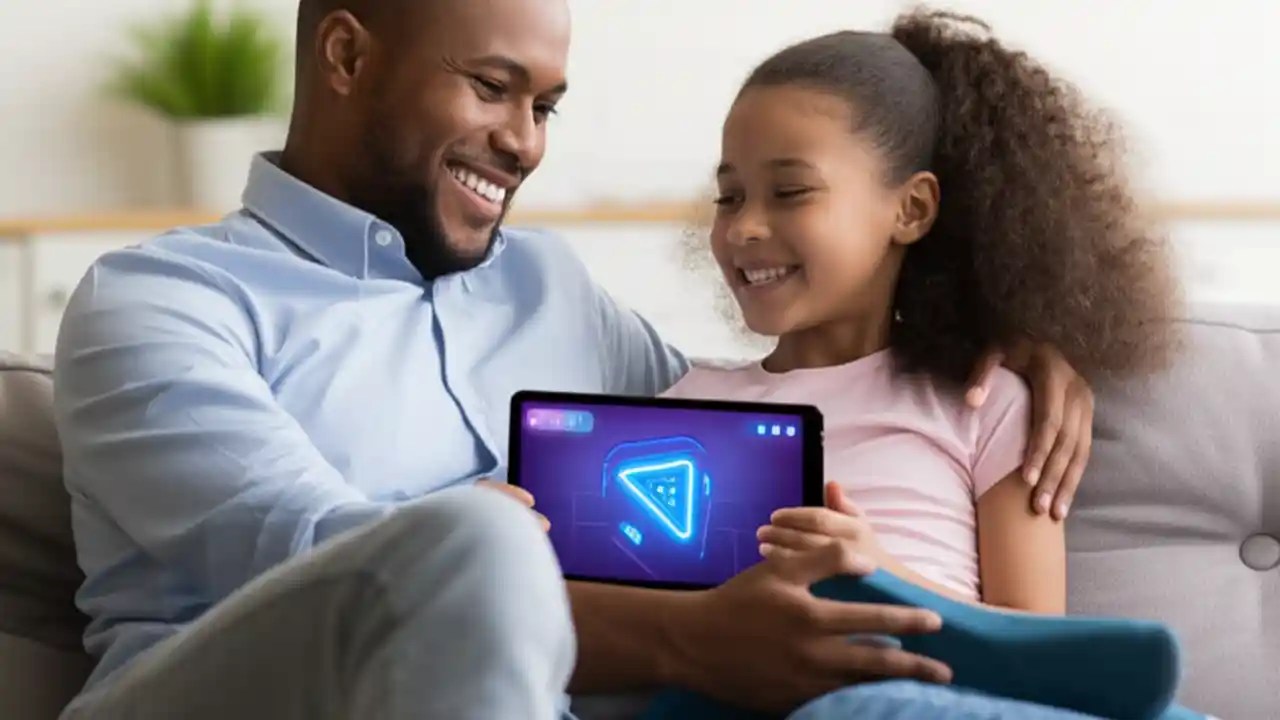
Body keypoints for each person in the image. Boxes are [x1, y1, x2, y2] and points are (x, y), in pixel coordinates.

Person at [53, 1, 1097, 718]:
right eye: (491, 88)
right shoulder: (161, 301)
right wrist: (682, 642)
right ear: (344, 56)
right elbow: (318, 555)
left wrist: (993, 340)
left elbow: (768, 401)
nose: (524, 143)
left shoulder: (549, 289)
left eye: (543, 107)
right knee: (470, 538)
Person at [654, 7, 1182, 719]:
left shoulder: (983, 401)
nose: (744, 226)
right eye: (729, 196)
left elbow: (1036, 649)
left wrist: (877, 578)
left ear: (911, 209)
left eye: (790, 192)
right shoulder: (685, 408)